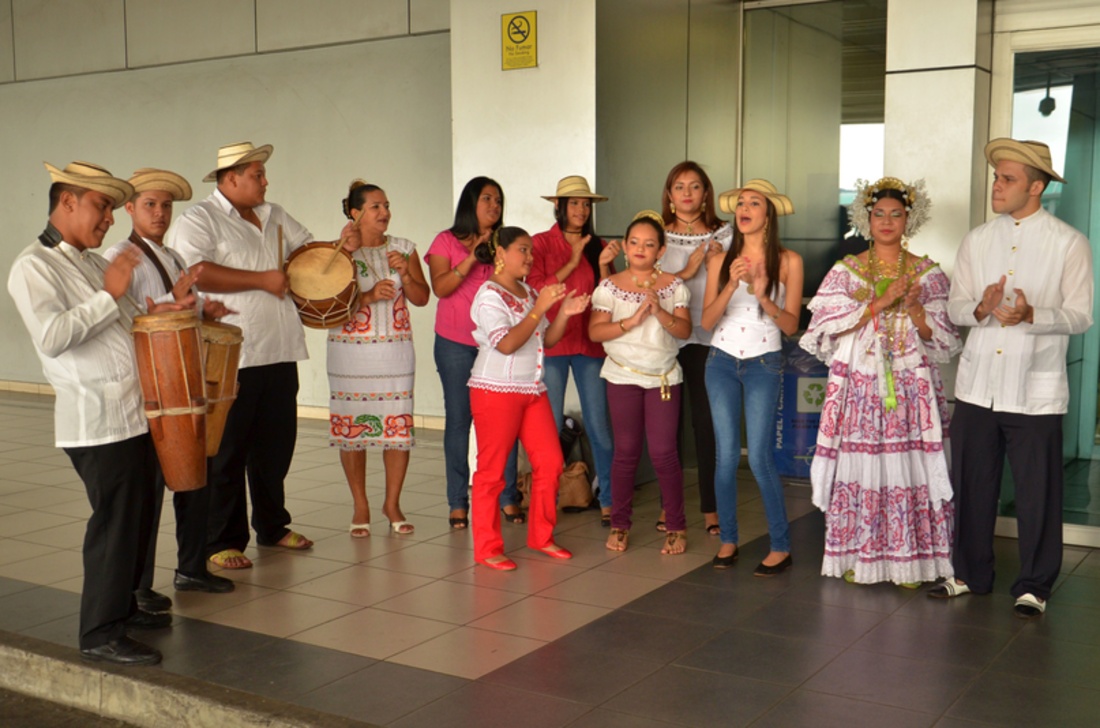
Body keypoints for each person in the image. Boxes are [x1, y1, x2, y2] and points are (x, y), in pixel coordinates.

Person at [7, 161, 191, 665]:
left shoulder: (88, 263)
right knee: (113, 525)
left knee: (136, 519)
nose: (110, 218)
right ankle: (99, 633)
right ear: (67, 201)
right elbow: (53, 336)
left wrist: (164, 311)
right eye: (102, 206)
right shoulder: (33, 266)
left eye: (111, 208)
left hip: (131, 412)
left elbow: (125, 320)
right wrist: (110, 292)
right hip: (97, 419)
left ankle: (124, 607)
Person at [936, 139, 1093, 617]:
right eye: (996, 177)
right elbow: (954, 307)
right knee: (971, 484)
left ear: (1036, 187)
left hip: (1034, 391)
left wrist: (1031, 314)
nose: (997, 186)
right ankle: (969, 573)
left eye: (1008, 179)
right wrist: (980, 308)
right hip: (977, 387)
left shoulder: (1069, 242)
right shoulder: (977, 240)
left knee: (1037, 493)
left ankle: (1035, 585)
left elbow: (1080, 316)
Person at [169, 141, 343, 569]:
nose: (266, 181)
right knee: (228, 451)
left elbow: (305, 255)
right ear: (231, 179)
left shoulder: (274, 214)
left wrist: (340, 248)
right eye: (257, 175)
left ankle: (272, 524)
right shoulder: (200, 219)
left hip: (280, 347)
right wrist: (262, 279)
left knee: (275, 448)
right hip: (233, 356)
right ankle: (222, 540)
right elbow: (196, 272)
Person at [802, 177, 960, 586]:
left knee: (909, 464)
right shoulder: (846, 271)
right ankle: (858, 555)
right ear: (866, 220)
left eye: (896, 214)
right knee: (862, 463)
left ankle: (912, 562)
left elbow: (942, 340)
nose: (887, 221)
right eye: (879, 215)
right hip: (861, 387)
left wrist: (916, 309)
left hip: (910, 390)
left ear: (909, 220)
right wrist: (881, 302)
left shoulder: (927, 273)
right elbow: (825, 328)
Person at [105, 168, 236, 601]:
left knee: (195, 478)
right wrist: (171, 302)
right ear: (129, 208)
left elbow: (180, 311)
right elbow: (121, 318)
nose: (160, 213)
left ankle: (192, 568)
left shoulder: (175, 256)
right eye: (150, 204)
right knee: (148, 492)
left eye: (166, 205)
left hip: (183, 382)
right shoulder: (119, 256)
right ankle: (138, 588)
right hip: (150, 388)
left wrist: (203, 311)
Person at [468, 227, 589, 569]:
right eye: (523, 249)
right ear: (500, 253)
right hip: (495, 389)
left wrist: (564, 312)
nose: (530, 257)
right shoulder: (489, 295)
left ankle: (541, 536)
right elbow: (506, 344)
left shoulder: (528, 292)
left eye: (531, 251)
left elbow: (546, 340)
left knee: (550, 462)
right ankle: (487, 547)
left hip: (531, 389)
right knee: (492, 471)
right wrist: (539, 308)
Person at [701, 179, 803, 576]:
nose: (744, 208)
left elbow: (791, 326)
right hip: (721, 360)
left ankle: (780, 546)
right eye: (740, 203)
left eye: (754, 203)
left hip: (764, 361)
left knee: (759, 457)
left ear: (769, 214)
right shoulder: (720, 260)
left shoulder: (789, 261)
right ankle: (728, 539)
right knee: (726, 455)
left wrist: (762, 296)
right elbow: (707, 322)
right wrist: (730, 284)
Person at [329, 180, 430, 537]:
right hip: (350, 354)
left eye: (386, 205)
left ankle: (392, 503)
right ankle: (360, 504)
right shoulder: (339, 252)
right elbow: (328, 305)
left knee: (397, 428)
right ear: (355, 213)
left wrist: (406, 273)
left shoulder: (404, 248)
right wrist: (368, 297)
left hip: (395, 352)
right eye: (375, 206)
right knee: (352, 429)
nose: (384, 212)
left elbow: (422, 298)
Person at [589, 211, 692, 555]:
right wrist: (631, 321)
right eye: (634, 242)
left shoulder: (674, 286)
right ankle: (620, 524)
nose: (640, 248)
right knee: (626, 452)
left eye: (649, 244)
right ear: (624, 246)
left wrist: (659, 312)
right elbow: (595, 332)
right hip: (622, 375)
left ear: (661, 251)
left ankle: (676, 526)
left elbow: (684, 331)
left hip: (663, 377)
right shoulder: (609, 286)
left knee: (664, 453)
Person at [425, 177, 520, 529]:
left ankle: (507, 496)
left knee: (501, 421)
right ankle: (457, 502)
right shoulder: (445, 241)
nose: (494, 206)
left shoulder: (504, 244)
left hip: (496, 344)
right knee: (459, 420)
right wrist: (472, 254)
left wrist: (497, 251)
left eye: (498, 200)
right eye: (487, 199)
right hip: (454, 344)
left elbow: (516, 284)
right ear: (470, 203)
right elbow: (441, 287)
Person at [528, 175, 619, 525]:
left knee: (599, 425)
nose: (581, 210)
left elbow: (612, 295)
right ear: (558, 206)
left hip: (590, 343)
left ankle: (608, 498)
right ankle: (546, 497)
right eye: (574, 203)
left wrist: (602, 263)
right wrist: (573, 258)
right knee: (549, 426)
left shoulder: (599, 245)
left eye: (586, 204)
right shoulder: (540, 244)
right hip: (552, 343)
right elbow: (538, 290)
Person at [658, 161, 731, 535]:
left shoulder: (726, 233)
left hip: (709, 337)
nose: (687, 193)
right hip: (665, 337)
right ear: (669, 195)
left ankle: (710, 507)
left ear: (706, 193)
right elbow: (645, 281)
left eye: (695, 186)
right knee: (667, 426)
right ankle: (668, 506)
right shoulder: (655, 233)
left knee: (705, 422)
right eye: (679, 186)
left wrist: (718, 261)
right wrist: (686, 270)